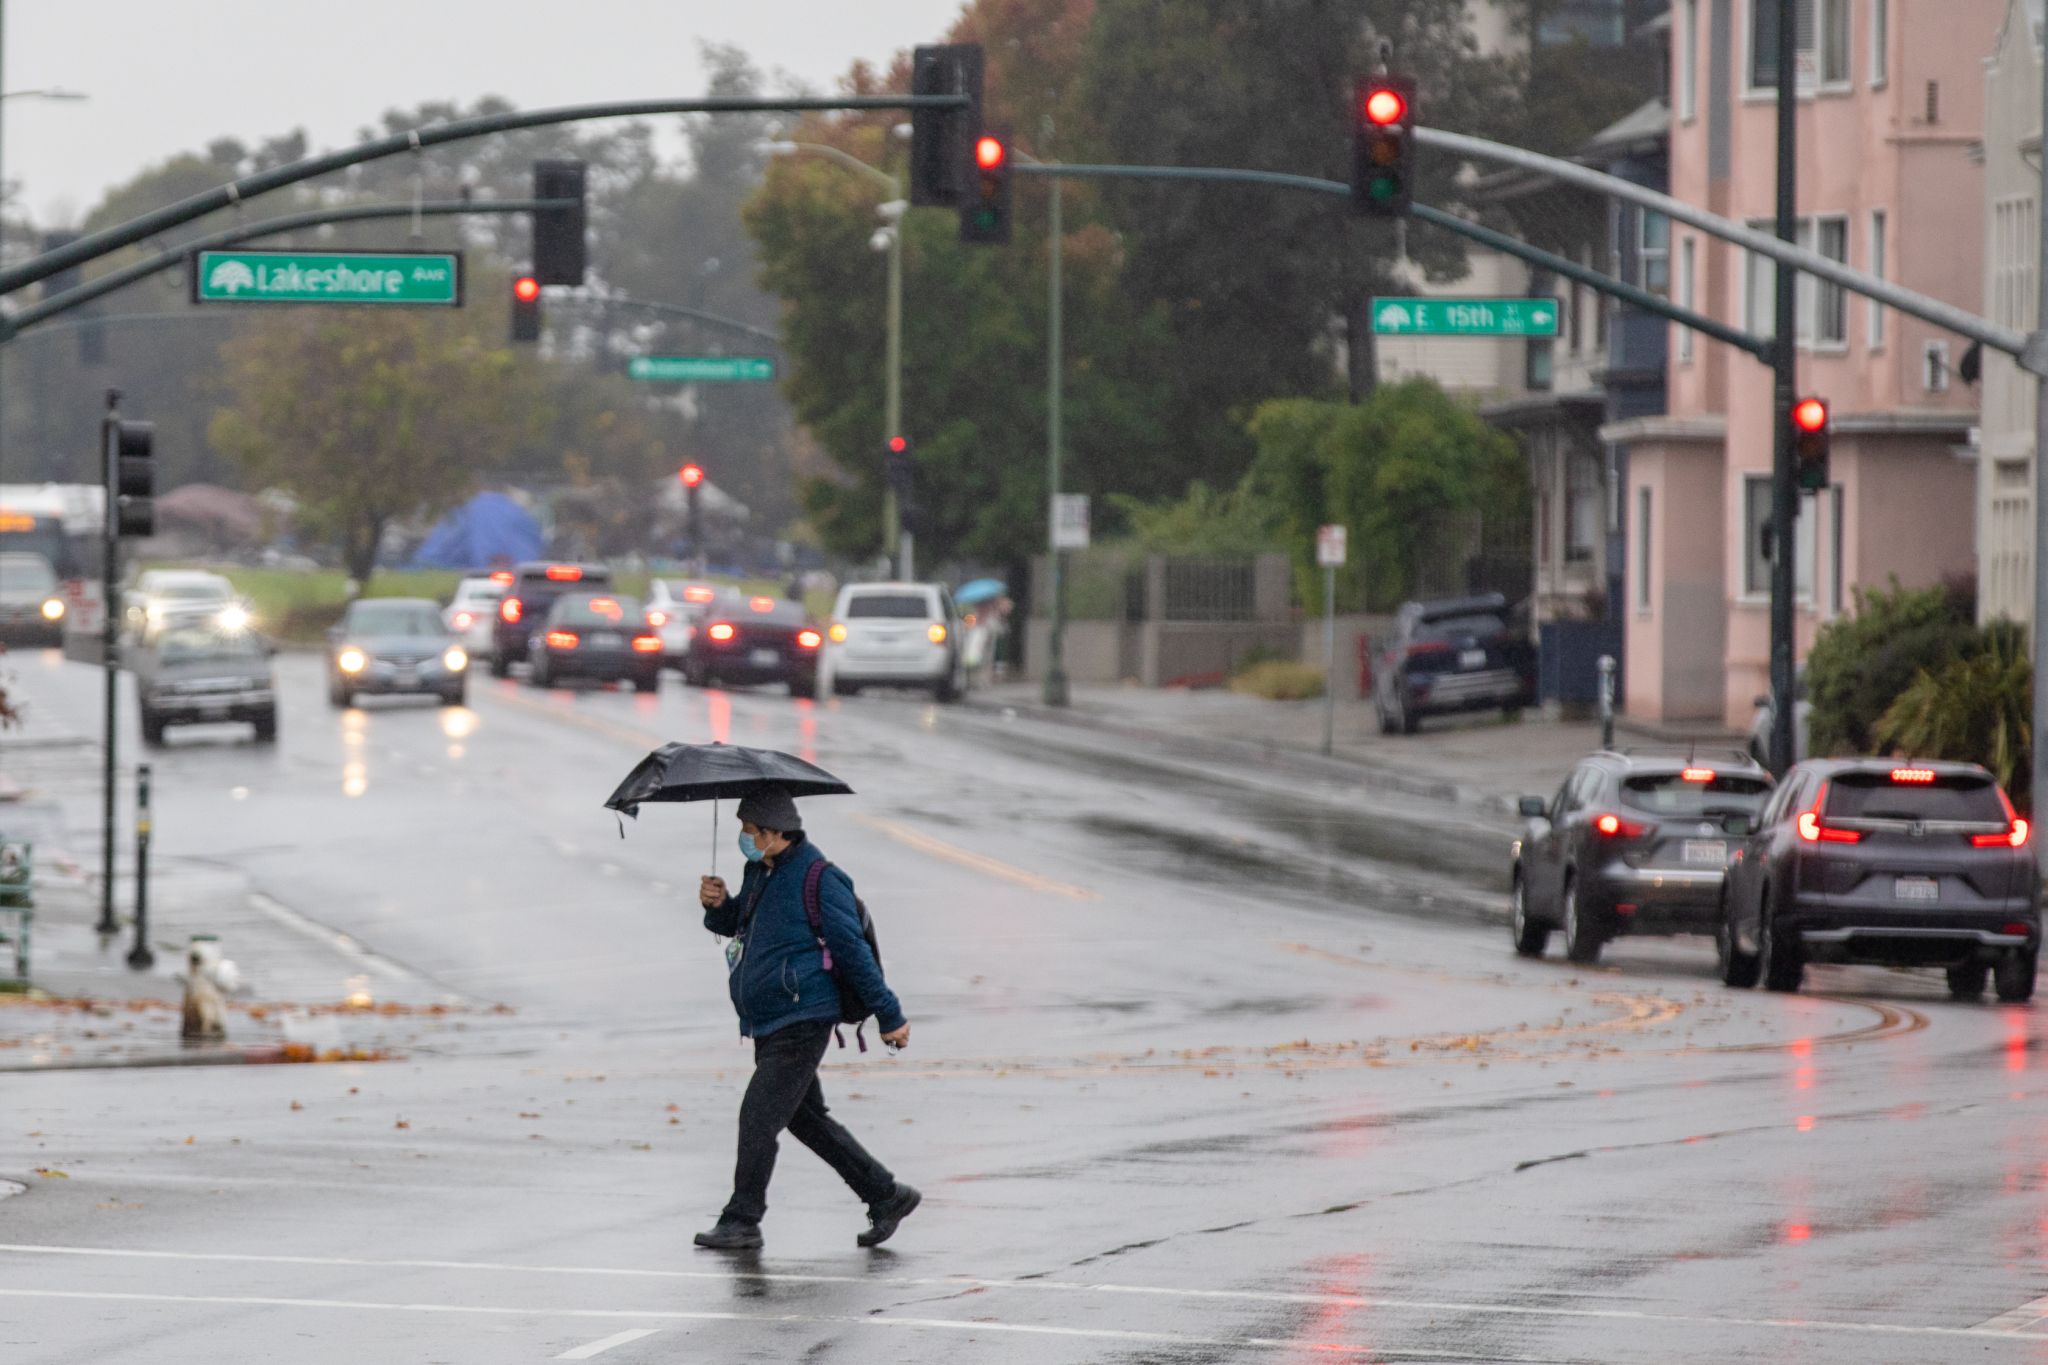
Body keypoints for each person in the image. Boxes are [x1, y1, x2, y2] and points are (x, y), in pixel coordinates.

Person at [695, 785, 918, 1251]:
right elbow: (743, 926)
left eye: (750, 831)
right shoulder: (760, 870)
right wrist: (719, 908)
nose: (745, 838)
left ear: (777, 834)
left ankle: (743, 1218)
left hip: (805, 1018)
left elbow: (853, 952)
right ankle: (885, 1194)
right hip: (770, 1019)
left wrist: (889, 1014)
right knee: (805, 1119)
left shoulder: (820, 878)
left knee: (759, 1116)